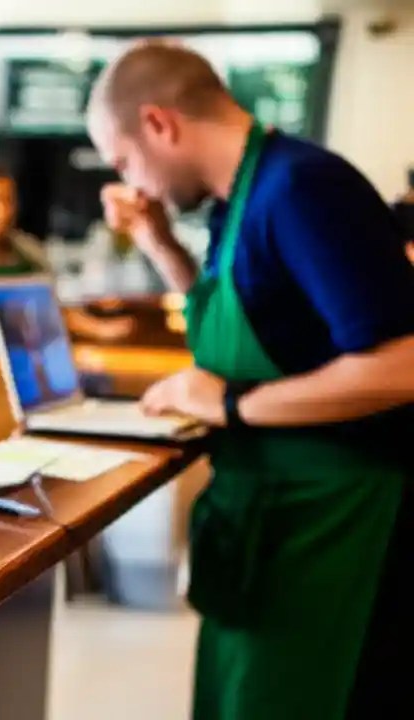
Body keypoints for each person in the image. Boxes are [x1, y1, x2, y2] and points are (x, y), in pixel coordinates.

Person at [87, 40, 414, 719]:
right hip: (270, 514)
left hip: (336, 520)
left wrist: (235, 405)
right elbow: (252, 319)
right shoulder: (237, 200)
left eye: (124, 161)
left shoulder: (300, 189)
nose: (132, 185)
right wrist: (157, 243)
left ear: (159, 123)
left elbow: (403, 364)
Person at [0, 163, 133, 362]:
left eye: (6, 201)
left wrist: (99, 329)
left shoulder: (32, 253)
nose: (0, 211)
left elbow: (55, 312)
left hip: (29, 371)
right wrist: (7, 336)